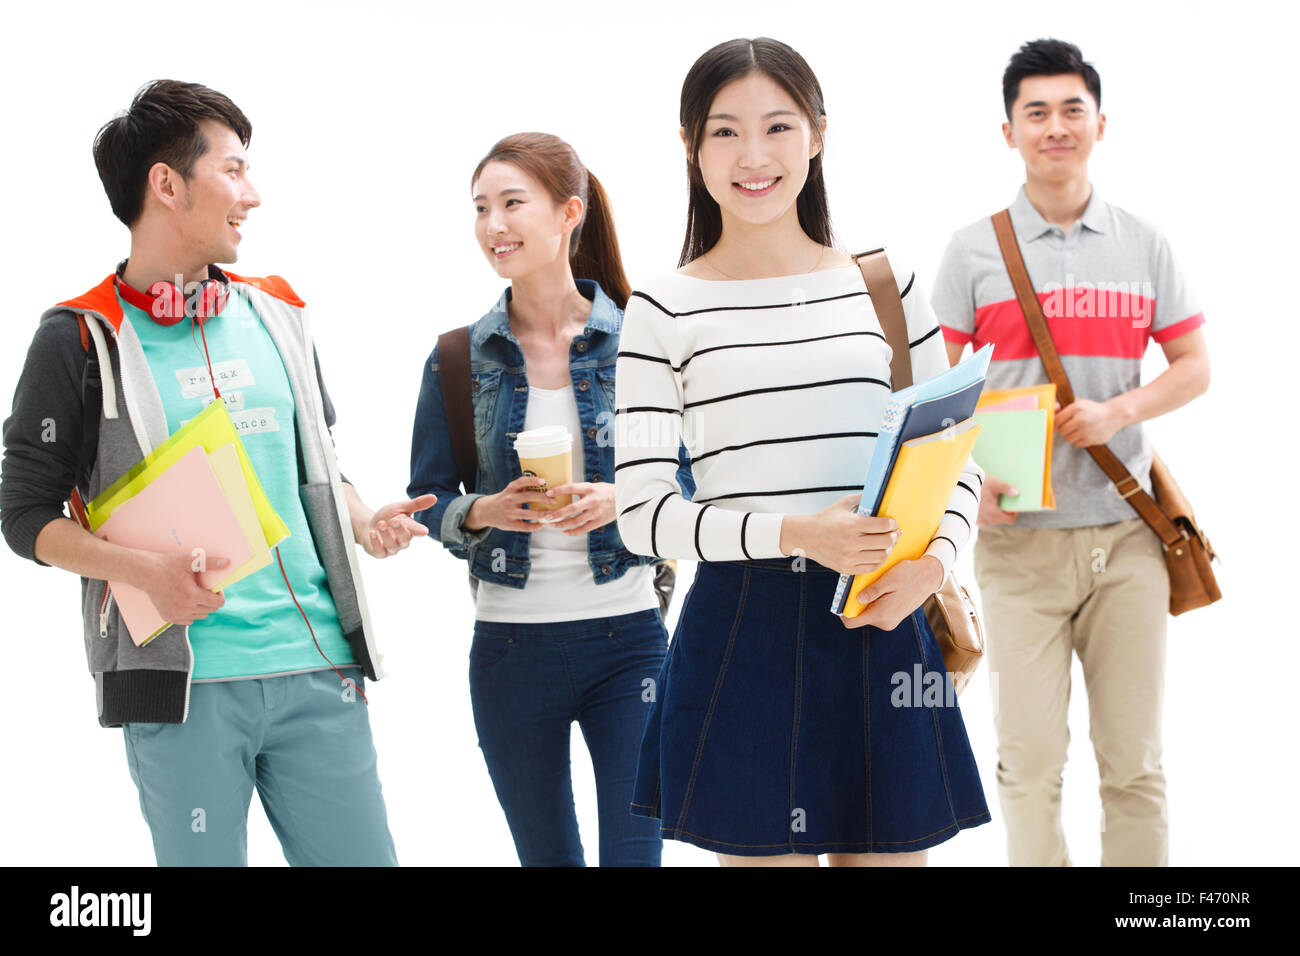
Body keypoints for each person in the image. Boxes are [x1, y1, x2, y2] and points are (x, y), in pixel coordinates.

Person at [0, 80, 432, 866]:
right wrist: (140, 571)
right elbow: (24, 515)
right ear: (167, 184)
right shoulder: (78, 338)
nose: (252, 195)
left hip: (319, 668)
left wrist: (365, 520)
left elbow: (320, 462)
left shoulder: (279, 314)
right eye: (233, 170)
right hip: (181, 689)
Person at [614, 37, 991, 867]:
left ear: (818, 134)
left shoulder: (886, 285)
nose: (754, 156)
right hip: (739, 632)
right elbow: (643, 516)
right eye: (725, 131)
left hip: (881, 614)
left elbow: (958, 458)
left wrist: (935, 567)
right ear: (690, 146)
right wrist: (796, 533)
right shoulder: (661, 309)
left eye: (778, 126)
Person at [931, 39, 1211, 866]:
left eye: (1071, 110)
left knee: (1136, 766)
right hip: (1018, 544)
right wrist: (965, 475)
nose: (1055, 126)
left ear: (1100, 124)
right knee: (1027, 766)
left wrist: (1119, 410)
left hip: (1129, 536)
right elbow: (937, 394)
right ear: (1009, 131)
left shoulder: (1144, 242)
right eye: (1037, 112)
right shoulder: (973, 250)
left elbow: (1195, 366)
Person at [408, 132, 691, 866]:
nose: (493, 225)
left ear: (569, 213)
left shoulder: (642, 342)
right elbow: (427, 497)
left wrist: (623, 499)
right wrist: (484, 511)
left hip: (629, 643)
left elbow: (695, 478)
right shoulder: (457, 358)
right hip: (510, 650)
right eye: (480, 208)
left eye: (512, 204)